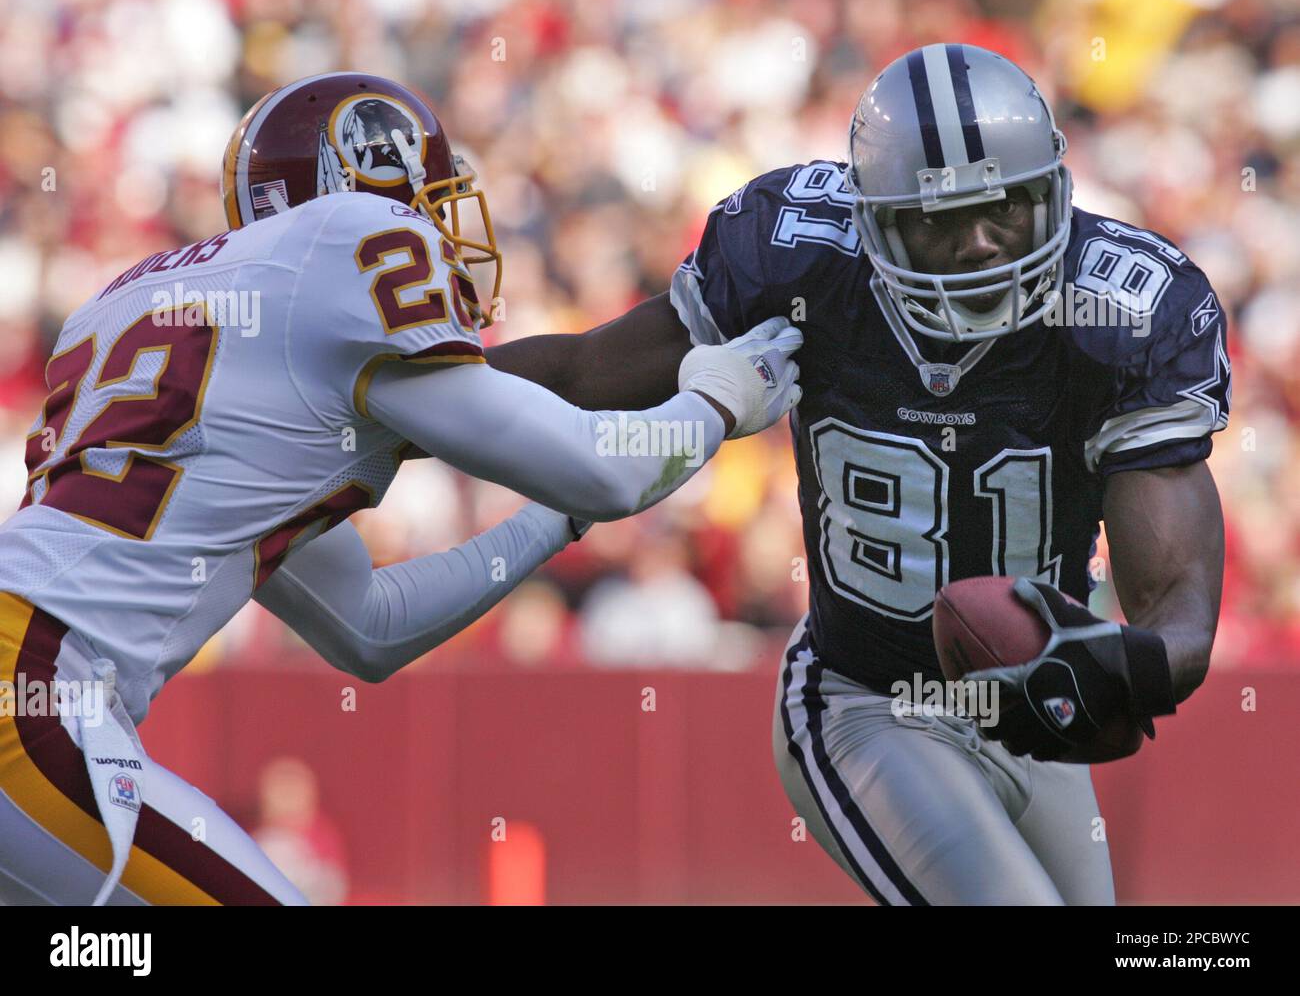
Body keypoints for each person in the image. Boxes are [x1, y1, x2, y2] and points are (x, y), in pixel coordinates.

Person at [0, 72, 802, 906]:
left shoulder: (145, 302)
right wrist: (716, 400)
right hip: (35, 692)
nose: (442, 228)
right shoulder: (351, 233)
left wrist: (556, 518)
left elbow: (370, 627)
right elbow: (605, 465)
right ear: (365, 181)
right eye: (428, 197)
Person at [488, 44, 1231, 905]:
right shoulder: (802, 261)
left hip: (1024, 704)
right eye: (940, 220)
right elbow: (586, 374)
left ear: (1054, 193)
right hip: (867, 701)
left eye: (1006, 209)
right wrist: (402, 405)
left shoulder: (1125, 315)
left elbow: (1178, 602)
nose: (982, 242)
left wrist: (1118, 667)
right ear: (876, 221)